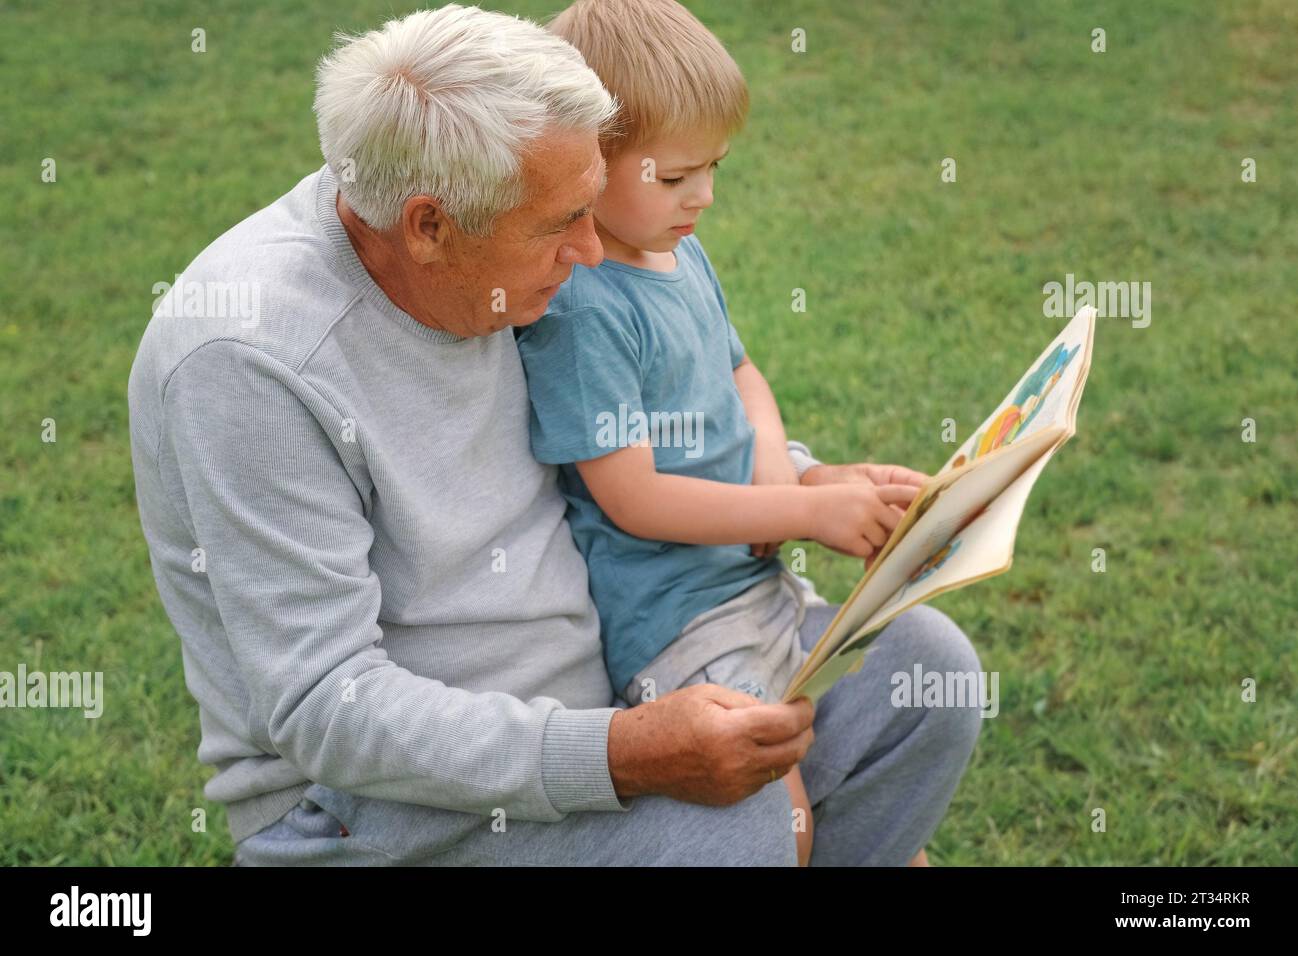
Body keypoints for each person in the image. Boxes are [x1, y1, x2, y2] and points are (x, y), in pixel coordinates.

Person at [126, 3, 982, 866]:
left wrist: (800, 482)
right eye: (558, 225)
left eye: (591, 208)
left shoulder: (497, 252)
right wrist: (622, 753)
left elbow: (621, 428)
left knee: (925, 675)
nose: (591, 251)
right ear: (429, 227)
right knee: (747, 827)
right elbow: (326, 708)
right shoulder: (247, 365)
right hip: (388, 805)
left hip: (615, 683)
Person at [518, 0, 927, 867]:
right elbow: (632, 497)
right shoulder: (585, 310)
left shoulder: (678, 250)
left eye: (715, 167)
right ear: (586, 165)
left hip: (761, 591)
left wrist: (781, 483)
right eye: (674, 178)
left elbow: (745, 376)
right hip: (678, 626)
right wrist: (796, 513)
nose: (702, 196)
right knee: (781, 822)